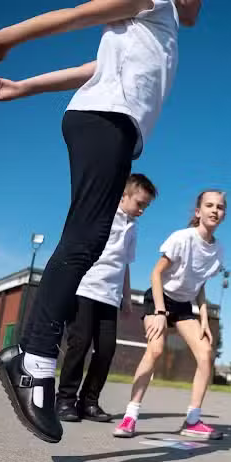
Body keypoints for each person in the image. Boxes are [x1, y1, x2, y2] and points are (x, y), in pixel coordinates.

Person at [0, 0, 203, 444]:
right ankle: (35, 360)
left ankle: (30, 357)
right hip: (105, 119)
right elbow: (81, 13)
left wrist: (23, 87)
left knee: (90, 236)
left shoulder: (161, 27)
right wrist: (9, 36)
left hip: (110, 120)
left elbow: (91, 68)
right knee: (85, 236)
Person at [114, 190, 226, 440]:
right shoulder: (182, 238)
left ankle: (193, 420)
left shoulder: (218, 250)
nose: (214, 210)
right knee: (155, 349)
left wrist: (205, 319)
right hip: (159, 298)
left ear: (223, 215)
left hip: (185, 305)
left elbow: (200, 285)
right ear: (198, 212)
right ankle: (130, 416)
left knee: (206, 353)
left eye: (219, 207)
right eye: (209, 205)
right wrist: (161, 312)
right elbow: (156, 274)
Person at [56, 174, 157, 423]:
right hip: (85, 290)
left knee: (106, 350)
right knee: (79, 345)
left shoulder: (132, 229)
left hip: (110, 298)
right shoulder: (103, 216)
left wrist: (125, 297)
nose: (142, 210)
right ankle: (65, 400)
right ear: (124, 196)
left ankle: (89, 402)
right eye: (139, 204)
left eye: (146, 206)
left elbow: (125, 265)